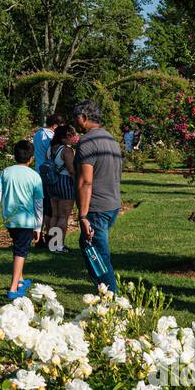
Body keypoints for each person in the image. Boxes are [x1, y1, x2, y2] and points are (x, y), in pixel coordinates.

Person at [72, 100, 123, 295]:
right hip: (112, 204)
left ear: (83, 118)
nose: (75, 123)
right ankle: (103, 293)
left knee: (97, 255)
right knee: (93, 248)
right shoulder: (111, 139)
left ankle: (111, 299)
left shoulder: (87, 142)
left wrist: (83, 216)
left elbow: (86, 181)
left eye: (76, 118)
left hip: (96, 208)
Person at [0, 138, 44, 299]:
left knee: (18, 246)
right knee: (20, 252)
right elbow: (39, 204)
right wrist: (38, 227)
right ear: (31, 158)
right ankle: (14, 287)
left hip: (10, 220)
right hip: (26, 221)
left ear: (14, 156)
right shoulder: (35, 176)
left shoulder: (6, 172)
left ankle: (20, 279)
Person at [45, 122, 78, 253]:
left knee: (55, 215)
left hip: (52, 183)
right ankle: (59, 245)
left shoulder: (50, 148)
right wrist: (77, 186)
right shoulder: (66, 150)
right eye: (70, 135)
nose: (72, 137)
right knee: (63, 217)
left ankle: (52, 244)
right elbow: (71, 170)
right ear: (64, 137)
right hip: (65, 183)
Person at [33, 114, 60, 244]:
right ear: (55, 125)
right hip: (48, 173)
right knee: (49, 207)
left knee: (40, 206)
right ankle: (50, 238)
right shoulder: (50, 136)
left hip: (38, 171)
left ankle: (39, 236)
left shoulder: (38, 134)